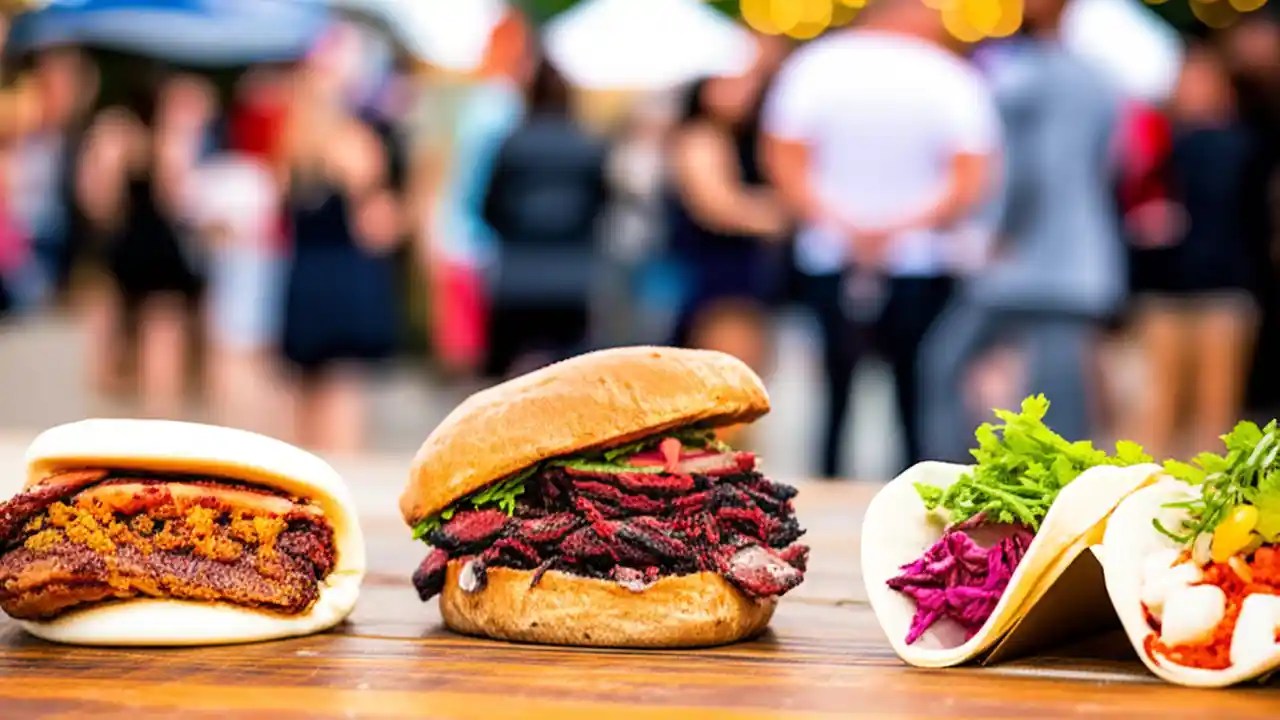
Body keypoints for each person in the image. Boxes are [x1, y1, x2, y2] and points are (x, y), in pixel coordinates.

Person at [761, 0, 999, 477]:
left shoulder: (815, 66)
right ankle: (915, 495)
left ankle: (825, 486)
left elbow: (784, 158)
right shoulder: (949, 74)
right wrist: (902, 224)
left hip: (830, 249)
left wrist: (842, 221)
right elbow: (972, 173)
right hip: (920, 255)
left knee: (833, 388)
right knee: (915, 388)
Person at [918, 0, 1125, 461]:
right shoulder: (1099, 77)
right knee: (1059, 395)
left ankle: (952, 479)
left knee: (953, 368)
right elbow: (1114, 163)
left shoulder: (1028, 75)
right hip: (1081, 258)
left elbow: (1033, 170)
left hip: (1026, 260)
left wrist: (997, 232)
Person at [1125, 44, 1257, 458]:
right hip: (1165, 289)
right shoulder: (1157, 145)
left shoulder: (1245, 146)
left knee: (1217, 413)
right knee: (1157, 405)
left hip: (1225, 288)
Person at [281, 36, 402, 452]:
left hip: (305, 275)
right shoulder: (355, 143)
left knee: (305, 396)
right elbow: (378, 228)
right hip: (344, 278)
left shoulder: (293, 143)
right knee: (341, 392)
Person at [77, 70, 215, 418]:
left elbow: (96, 203)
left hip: (126, 248)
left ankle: (120, 424)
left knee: (126, 345)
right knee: (154, 345)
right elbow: (177, 199)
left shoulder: (115, 131)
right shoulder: (151, 135)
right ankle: (154, 422)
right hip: (151, 249)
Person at [668, 35, 791, 376]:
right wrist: (774, 213)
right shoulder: (701, 137)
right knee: (725, 378)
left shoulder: (743, 138)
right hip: (719, 278)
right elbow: (717, 205)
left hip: (743, 277)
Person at [480, 59, 609, 377]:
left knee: (513, 378)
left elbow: (489, 206)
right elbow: (602, 206)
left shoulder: (511, 144)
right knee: (570, 373)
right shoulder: (588, 145)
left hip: (517, 275)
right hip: (573, 276)